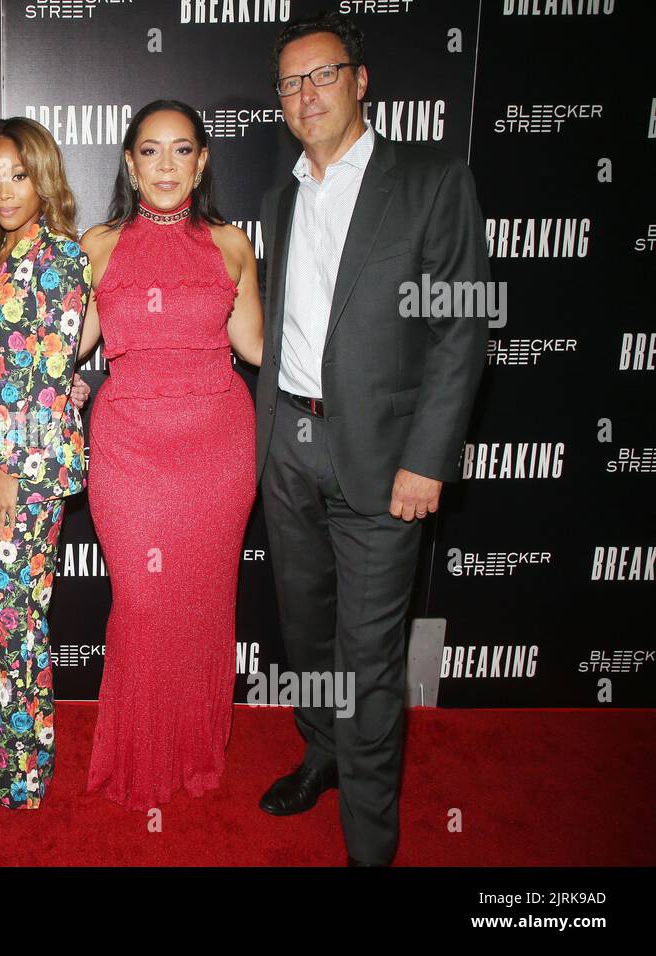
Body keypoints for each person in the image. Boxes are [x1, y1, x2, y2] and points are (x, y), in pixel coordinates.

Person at [256, 13, 489, 865]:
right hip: (289, 448)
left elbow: (464, 332)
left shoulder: (430, 181)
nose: (306, 93)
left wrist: (428, 459)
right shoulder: (280, 198)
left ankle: (369, 843)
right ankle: (321, 751)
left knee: (369, 658)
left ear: (361, 80)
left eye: (322, 75)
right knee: (308, 633)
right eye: (290, 82)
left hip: (385, 462)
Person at [77, 101, 263, 812]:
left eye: (181, 151)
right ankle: (140, 754)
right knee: (146, 601)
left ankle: (193, 753)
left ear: (203, 160)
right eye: (149, 152)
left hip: (217, 446)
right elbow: (70, 349)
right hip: (130, 448)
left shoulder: (230, 243)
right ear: (128, 162)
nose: (164, 167)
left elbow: (255, 348)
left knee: (204, 604)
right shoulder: (96, 245)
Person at [0, 117, 90, 810]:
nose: (5, 190)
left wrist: (10, 464)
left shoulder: (60, 257)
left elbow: (49, 370)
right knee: (1, 609)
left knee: (18, 616)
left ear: (43, 175)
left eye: (18, 174)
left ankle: (23, 768)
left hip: (25, 470)